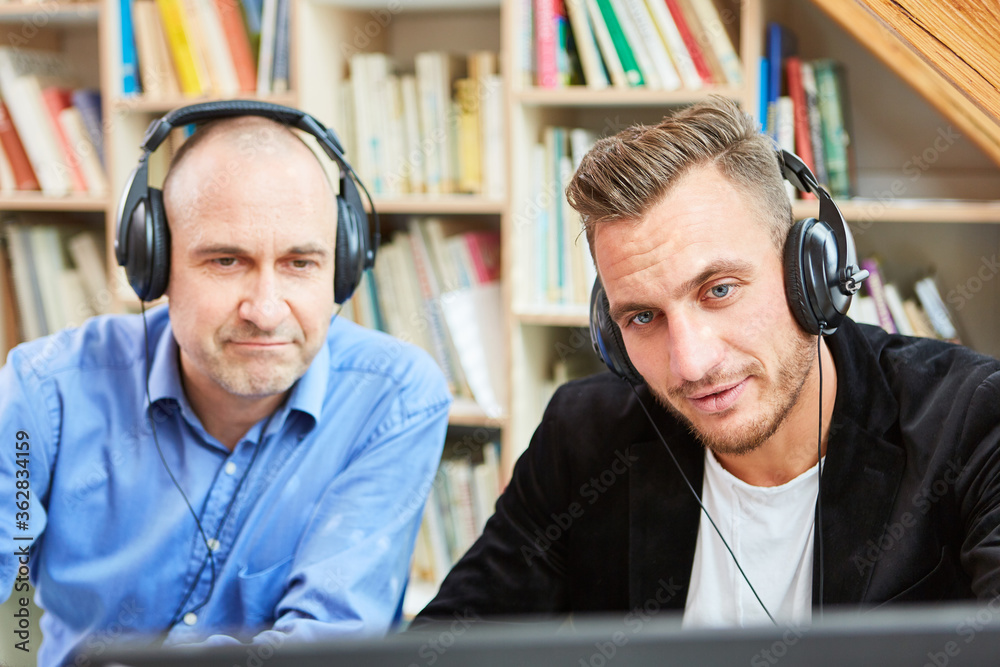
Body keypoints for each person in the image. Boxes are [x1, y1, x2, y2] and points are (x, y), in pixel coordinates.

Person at [414, 97, 1000, 628]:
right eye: (642, 317)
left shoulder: (973, 422)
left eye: (719, 290)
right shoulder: (584, 438)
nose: (690, 363)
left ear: (809, 275)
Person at [0, 109, 451, 665]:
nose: (264, 310)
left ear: (343, 268)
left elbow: (325, 645)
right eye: (226, 260)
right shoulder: (45, 391)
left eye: (300, 263)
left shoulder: (392, 398)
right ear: (155, 265)